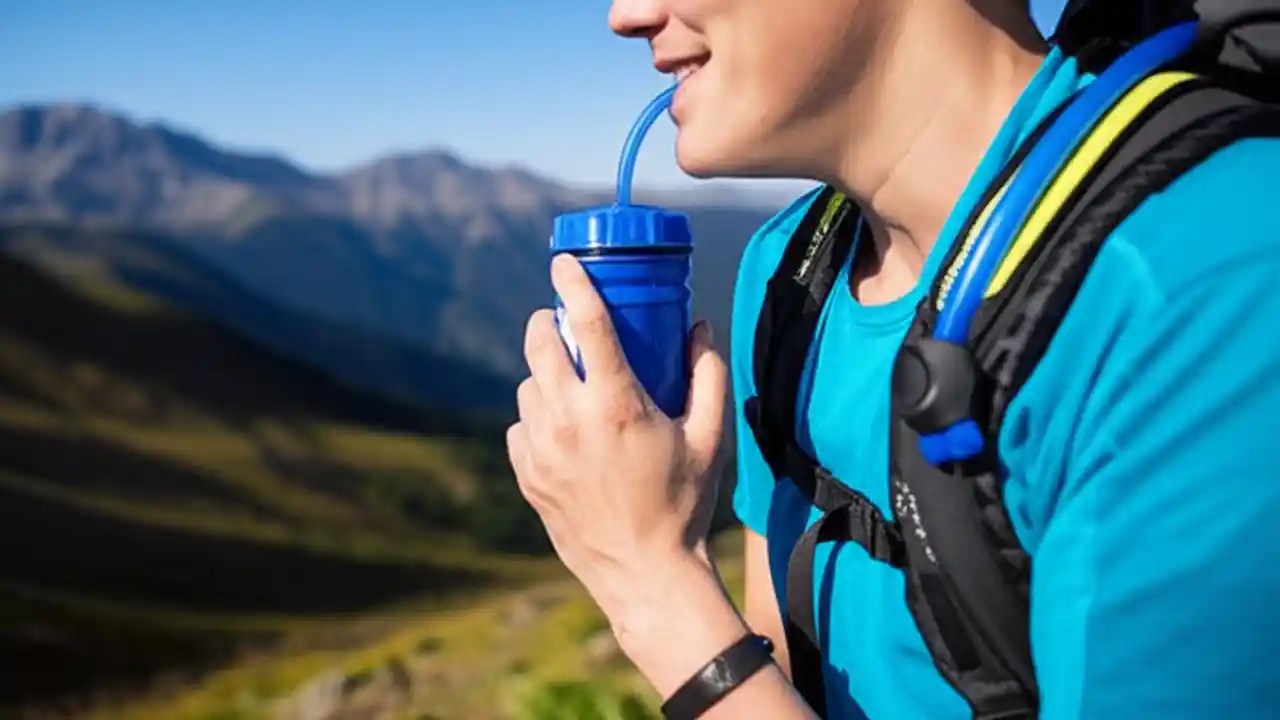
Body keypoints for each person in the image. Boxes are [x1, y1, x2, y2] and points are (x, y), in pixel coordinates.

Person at [505, 0, 1280, 717]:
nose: (625, 14)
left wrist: (650, 582)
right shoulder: (788, 272)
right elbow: (782, 660)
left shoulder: (1208, 277)